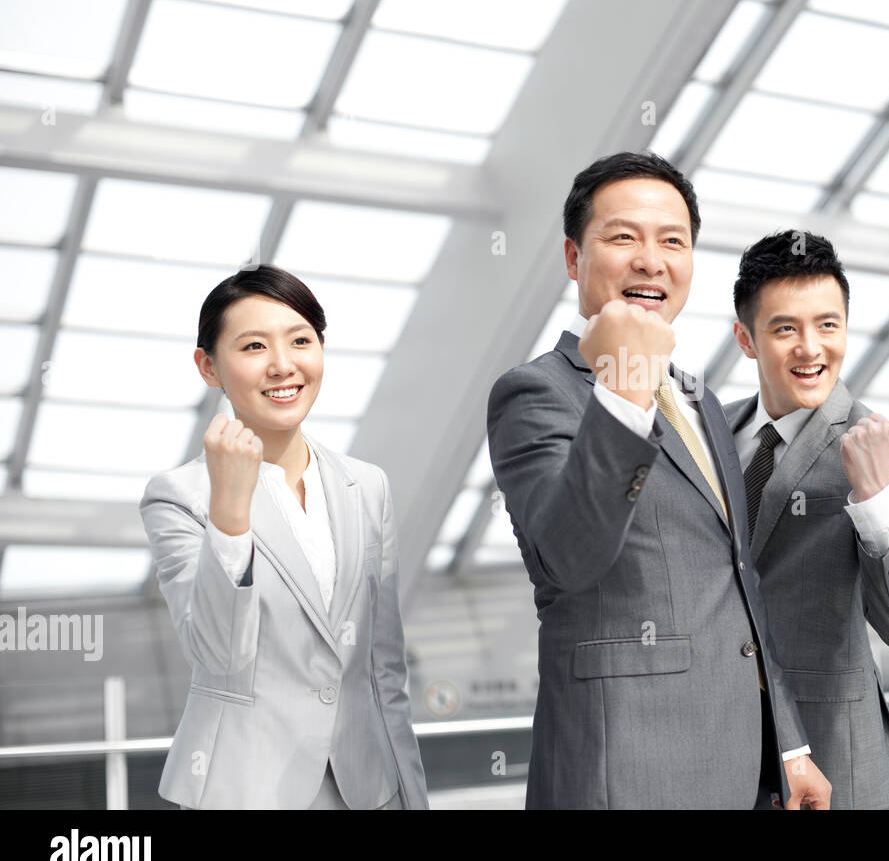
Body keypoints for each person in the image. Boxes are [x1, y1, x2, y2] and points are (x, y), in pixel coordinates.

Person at [487, 151, 830, 809]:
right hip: (627, 770)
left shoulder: (699, 399)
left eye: (672, 241)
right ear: (572, 258)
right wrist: (621, 393)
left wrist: (789, 744)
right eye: (623, 238)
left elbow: (738, 581)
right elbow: (567, 558)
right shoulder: (536, 393)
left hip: (740, 766)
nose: (651, 261)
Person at [138, 266, 427, 809]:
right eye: (252, 346)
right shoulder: (179, 496)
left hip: (367, 790)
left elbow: (383, 668)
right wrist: (230, 511)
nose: (282, 365)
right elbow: (218, 654)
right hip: (246, 792)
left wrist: (410, 795)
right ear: (209, 367)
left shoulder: (366, 486)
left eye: (300, 341)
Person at [724, 230, 889, 809]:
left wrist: (875, 494)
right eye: (785, 328)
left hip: (834, 760)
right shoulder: (712, 433)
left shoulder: (882, 447)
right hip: (724, 752)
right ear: (746, 338)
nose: (810, 348)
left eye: (828, 325)